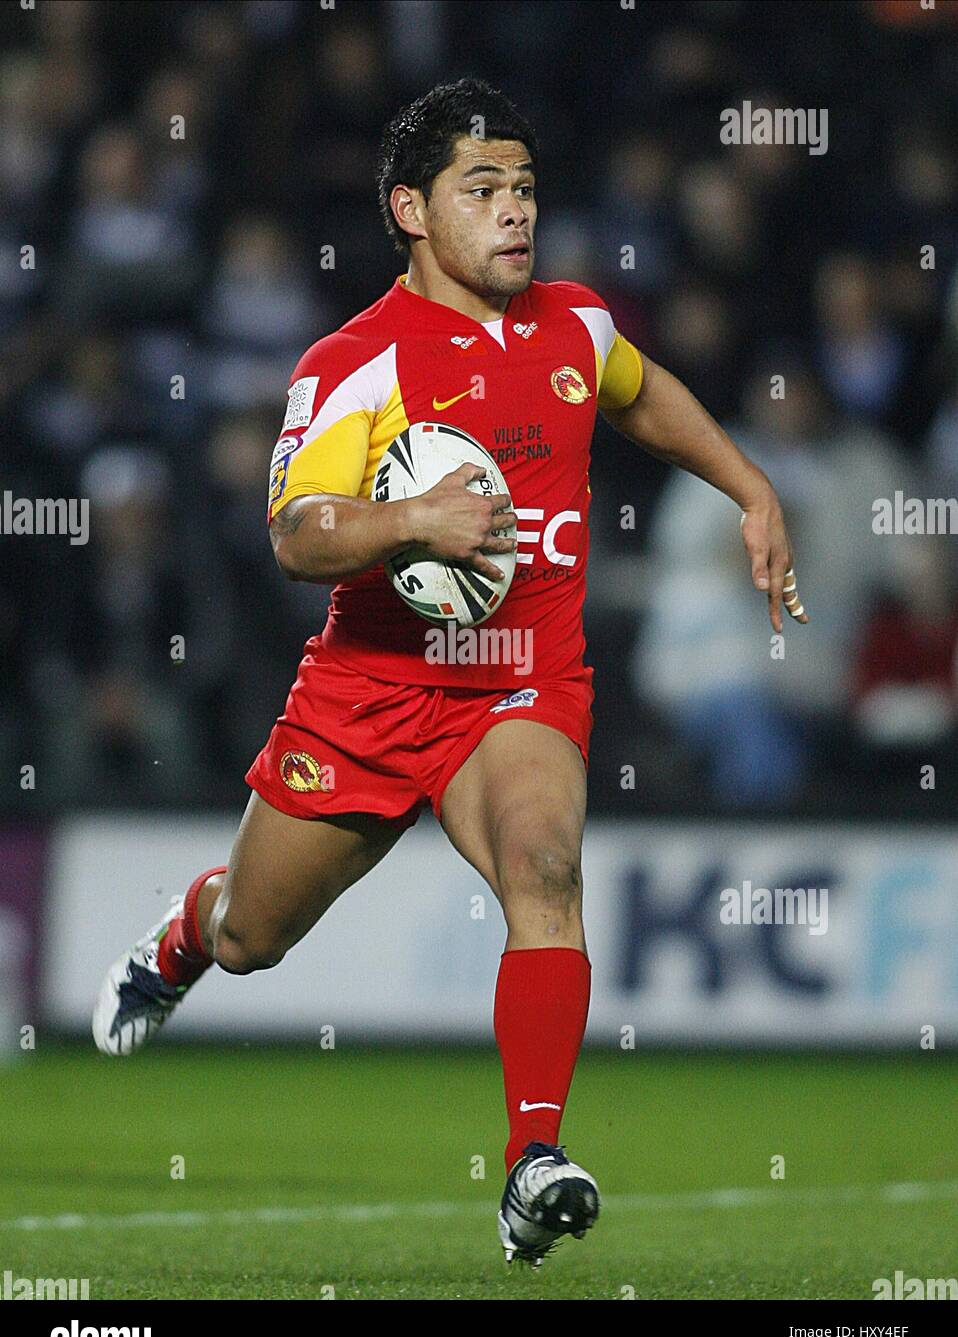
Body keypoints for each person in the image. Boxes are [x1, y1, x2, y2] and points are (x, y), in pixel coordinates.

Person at [93, 78, 807, 1267]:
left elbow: (641, 393)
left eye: (525, 189)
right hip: (369, 695)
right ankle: (179, 938)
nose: (515, 212)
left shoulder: (575, 325)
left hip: (522, 681)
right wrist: (408, 521)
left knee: (546, 862)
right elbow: (294, 534)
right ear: (411, 210)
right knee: (250, 939)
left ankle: (534, 1162)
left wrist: (750, 487)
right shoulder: (356, 361)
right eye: (483, 191)